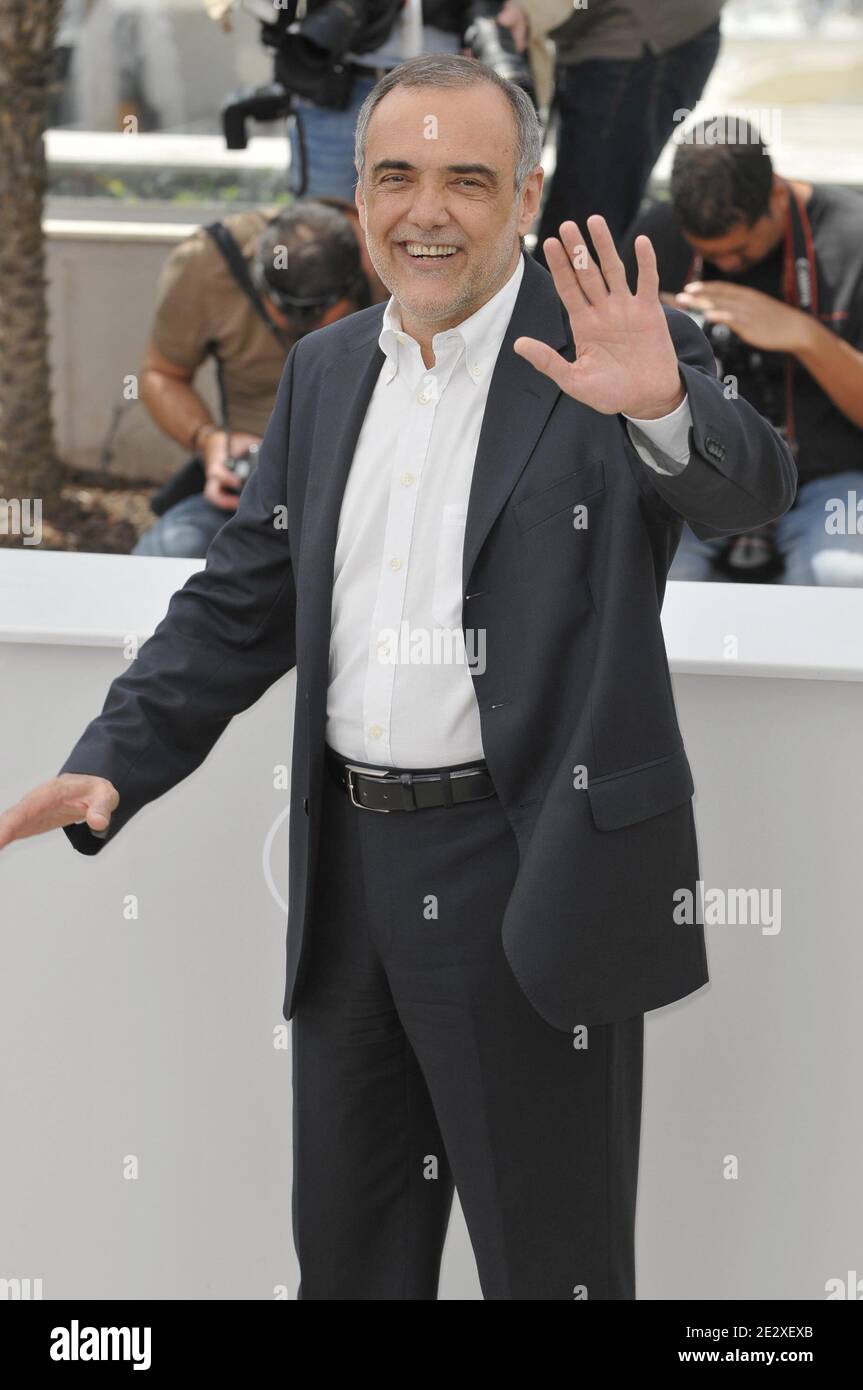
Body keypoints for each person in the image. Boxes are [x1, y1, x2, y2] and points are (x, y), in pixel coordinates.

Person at [0, 54, 795, 1300]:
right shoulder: (325, 373)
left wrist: (661, 408)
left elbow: (751, 489)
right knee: (350, 1266)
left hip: (531, 868)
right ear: (358, 193)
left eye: (466, 180)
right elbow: (241, 598)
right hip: (349, 882)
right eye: (395, 176)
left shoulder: (605, 348)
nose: (426, 211)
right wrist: (114, 760)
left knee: (553, 1270)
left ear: (525, 194)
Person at [623, 120, 863, 586]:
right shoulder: (658, 236)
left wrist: (805, 336)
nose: (728, 264)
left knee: (843, 577)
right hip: (695, 475)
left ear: (778, 195)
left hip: (827, 480)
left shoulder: (851, 238)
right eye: (712, 254)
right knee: (655, 581)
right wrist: (660, 333)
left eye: (742, 251)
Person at [133, 199, 377, 559]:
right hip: (250, 489)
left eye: (315, 313)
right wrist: (208, 440)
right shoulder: (206, 263)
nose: (298, 325)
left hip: (367, 487)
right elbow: (161, 375)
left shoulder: (393, 255)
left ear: (358, 277)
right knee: (166, 556)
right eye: (285, 310)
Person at [510, 0, 724, 270]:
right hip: (607, 34)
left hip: (639, 39)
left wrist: (527, 10)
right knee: (577, 223)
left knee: (582, 229)